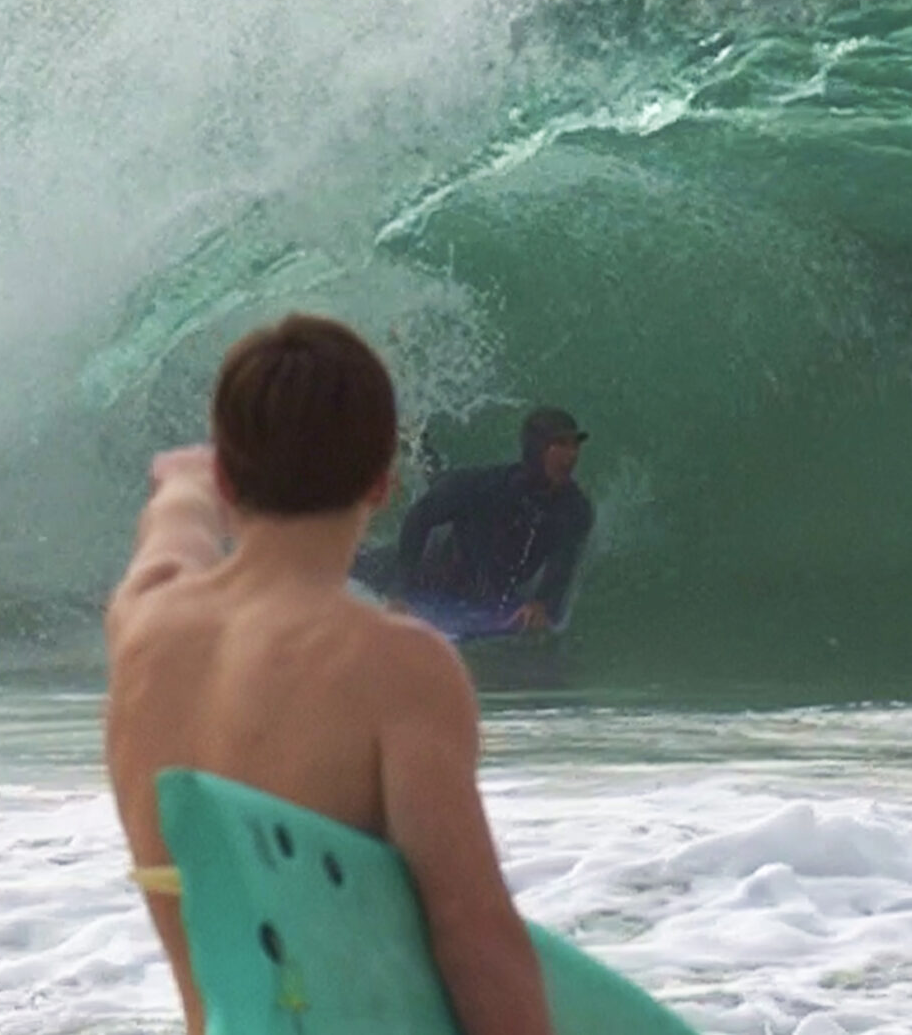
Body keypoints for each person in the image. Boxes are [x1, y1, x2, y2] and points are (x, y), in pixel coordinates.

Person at [103, 314, 552, 1035]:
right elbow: (474, 936)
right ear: (383, 484)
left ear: (225, 478)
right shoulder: (398, 666)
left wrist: (182, 486)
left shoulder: (145, 626)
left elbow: (171, 541)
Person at [381, 407, 594, 634]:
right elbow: (419, 517)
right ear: (536, 449)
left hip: (485, 590)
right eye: (560, 444)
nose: (572, 455)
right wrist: (398, 592)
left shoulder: (575, 510)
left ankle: (416, 440)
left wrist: (541, 602)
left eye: (575, 444)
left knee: (441, 479)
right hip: (435, 571)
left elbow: (563, 560)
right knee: (439, 482)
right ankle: (411, 437)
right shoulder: (488, 485)